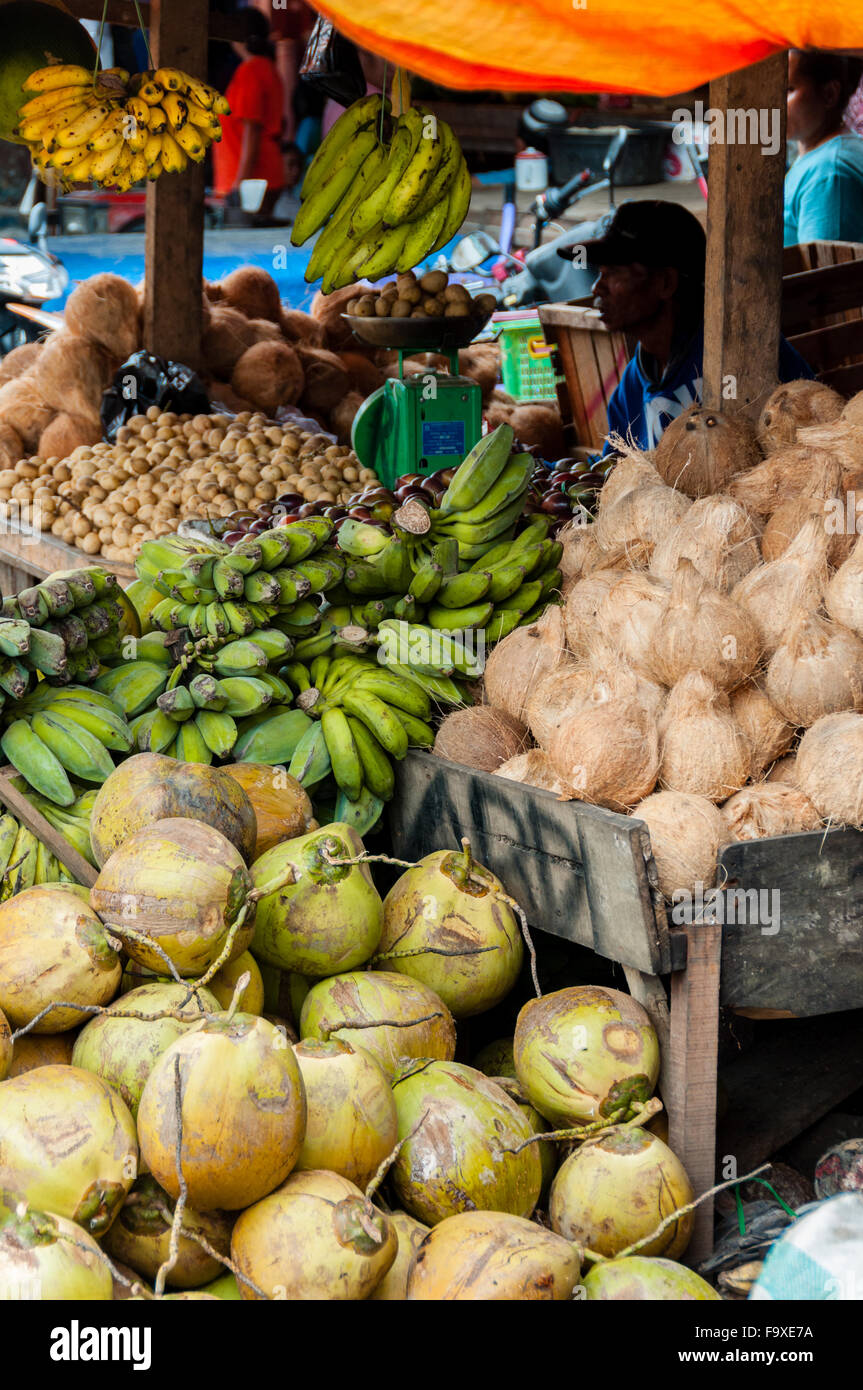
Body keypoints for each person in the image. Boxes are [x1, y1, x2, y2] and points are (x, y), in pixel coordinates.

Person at [559, 200, 813, 453]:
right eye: (599, 272)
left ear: (666, 283)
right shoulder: (630, 390)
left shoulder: (744, 354)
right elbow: (612, 470)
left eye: (613, 272)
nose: (596, 288)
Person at [785, 50, 863, 246]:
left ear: (829, 94)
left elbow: (824, 272)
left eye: (788, 89)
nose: (773, 102)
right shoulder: (824, 155)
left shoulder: (829, 174)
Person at [212, 8, 284, 215]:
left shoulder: (251, 71)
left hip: (252, 183)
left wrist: (239, 184)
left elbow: (252, 131)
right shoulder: (266, 68)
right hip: (260, 178)